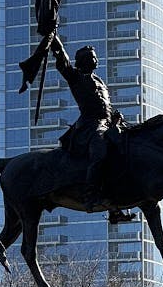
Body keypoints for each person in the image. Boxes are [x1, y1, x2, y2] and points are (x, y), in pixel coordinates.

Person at [50, 33, 131, 219]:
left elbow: (105, 106)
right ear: (82, 61)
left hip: (107, 123)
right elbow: (62, 59)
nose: (95, 60)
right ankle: (90, 196)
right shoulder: (75, 77)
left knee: (126, 149)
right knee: (100, 152)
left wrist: (115, 117)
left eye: (95, 57)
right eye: (91, 57)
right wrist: (53, 37)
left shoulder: (100, 81)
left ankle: (116, 200)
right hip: (89, 126)